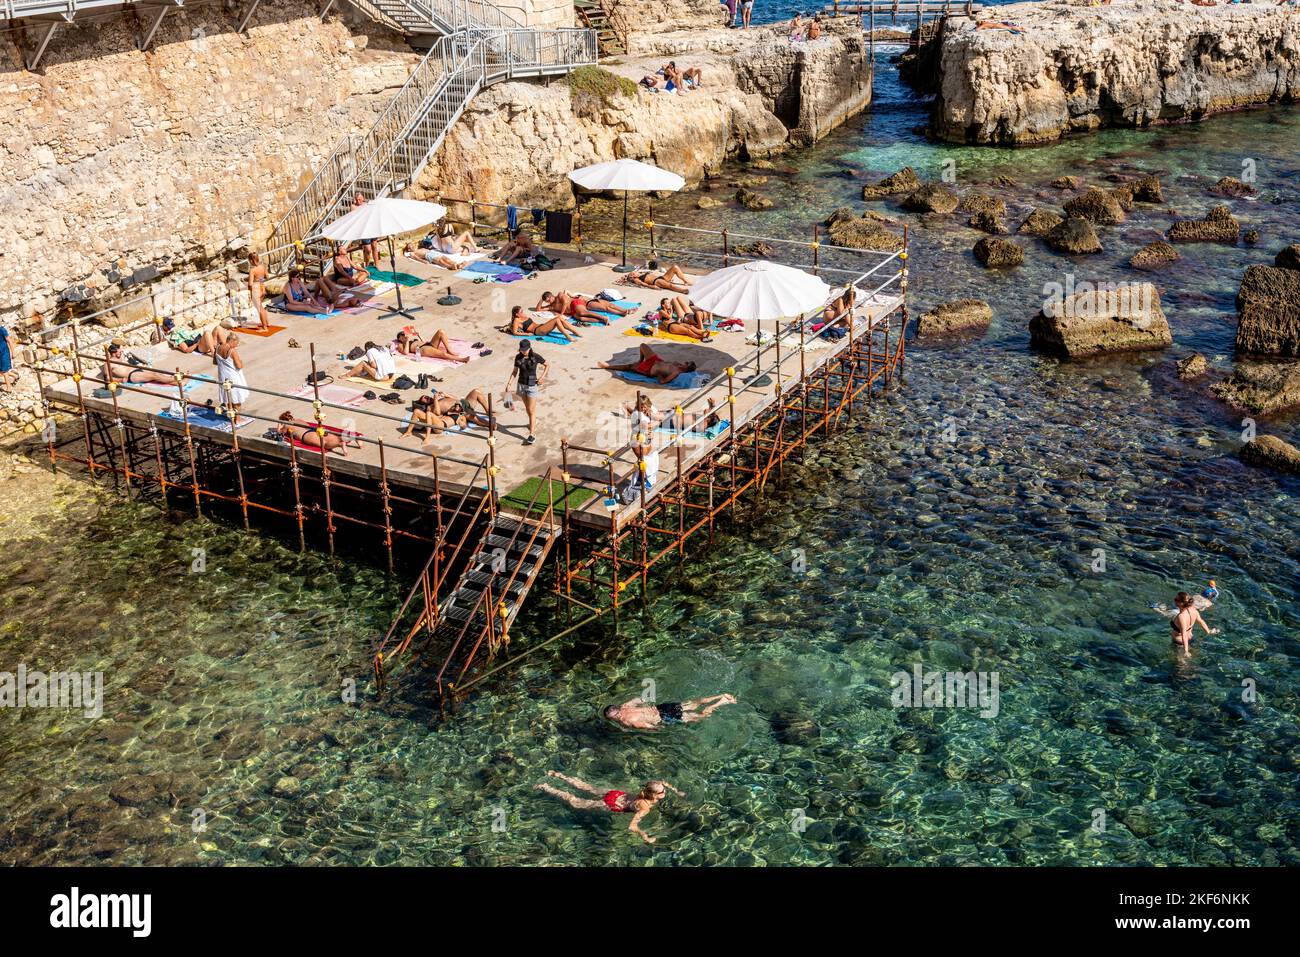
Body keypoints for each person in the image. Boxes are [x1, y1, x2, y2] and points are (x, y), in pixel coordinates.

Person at [536, 771, 683, 845]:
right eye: (662, 792)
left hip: (616, 794)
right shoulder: (645, 807)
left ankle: (558, 775)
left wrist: (677, 790)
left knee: (585, 787)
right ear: (653, 794)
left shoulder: (650, 787)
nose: (664, 791)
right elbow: (632, 826)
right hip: (613, 804)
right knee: (575, 801)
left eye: (663, 790)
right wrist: (644, 835)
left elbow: (662, 782)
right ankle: (546, 787)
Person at [604, 693, 737, 729]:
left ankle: (722, 702)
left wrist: (658, 729)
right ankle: (720, 695)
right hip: (662, 707)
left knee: (702, 716)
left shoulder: (626, 721)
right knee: (695, 703)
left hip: (664, 716)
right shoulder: (625, 705)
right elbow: (643, 699)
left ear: (614, 717)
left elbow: (646, 726)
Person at [505, 340, 547, 444]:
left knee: (531, 410)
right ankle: (533, 422)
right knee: (528, 408)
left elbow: (547, 365)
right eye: (521, 350)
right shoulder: (518, 357)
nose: (523, 352)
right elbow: (515, 372)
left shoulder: (536, 356)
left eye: (525, 350)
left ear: (529, 348)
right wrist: (509, 384)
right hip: (521, 385)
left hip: (532, 386)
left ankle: (532, 434)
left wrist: (542, 377)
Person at [599, 343, 698, 385]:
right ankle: (640, 360)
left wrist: (658, 375)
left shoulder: (676, 373)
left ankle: (607, 366)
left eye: (687, 363)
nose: (685, 362)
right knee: (643, 346)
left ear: (686, 368)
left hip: (650, 369)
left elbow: (663, 382)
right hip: (656, 360)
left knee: (629, 367)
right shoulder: (678, 365)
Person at [276, 411, 356, 455]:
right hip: (314, 430)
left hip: (307, 435)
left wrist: (279, 424)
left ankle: (340, 444)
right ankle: (351, 439)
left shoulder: (286, 425)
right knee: (330, 437)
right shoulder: (299, 420)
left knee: (324, 443)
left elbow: (279, 432)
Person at [102, 339, 173, 388]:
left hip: (136, 370)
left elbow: (119, 345)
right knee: (155, 376)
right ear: (113, 353)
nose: (121, 352)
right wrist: (120, 380)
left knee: (157, 374)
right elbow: (107, 378)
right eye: (119, 352)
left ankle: (179, 382)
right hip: (132, 376)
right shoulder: (109, 364)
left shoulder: (121, 355)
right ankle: (177, 380)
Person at [1169, 591, 1219, 656]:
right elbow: (1201, 621)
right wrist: (1208, 631)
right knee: (1193, 654)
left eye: (1176, 599)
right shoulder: (1193, 609)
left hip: (1180, 642)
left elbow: (1184, 634)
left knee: (1180, 662)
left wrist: (1186, 651)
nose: (1174, 600)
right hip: (1190, 637)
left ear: (1181, 603)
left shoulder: (1181, 616)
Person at [214, 333, 249, 423]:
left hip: (223, 375)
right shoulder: (232, 350)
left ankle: (231, 416)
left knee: (229, 397)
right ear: (232, 341)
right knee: (236, 399)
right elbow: (239, 365)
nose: (236, 346)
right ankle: (237, 419)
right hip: (233, 376)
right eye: (236, 343)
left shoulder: (217, 348)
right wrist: (241, 362)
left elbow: (215, 362)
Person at [394, 327, 470, 363]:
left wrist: (418, 335)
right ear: (399, 339)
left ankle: (449, 350)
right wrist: (406, 341)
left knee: (441, 331)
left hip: (428, 344)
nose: (404, 336)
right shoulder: (400, 345)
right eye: (402, 335)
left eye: (404, 334)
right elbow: (405, 353)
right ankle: (461, 359)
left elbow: (422, 342)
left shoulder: (410, 340)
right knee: (443, 354)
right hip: (423, 350)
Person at [507, 305, 581, 341]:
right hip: (538, 331)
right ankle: (568, 336)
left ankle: (575, 332)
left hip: (541, 327)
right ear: (516, 314)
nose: (523, 312)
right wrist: (527, 334)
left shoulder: (523, 316)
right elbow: (515, 332)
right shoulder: (517, 320)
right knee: (557, 319)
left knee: (559, 318)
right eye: (521, 312)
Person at [622, 262, 691, 293]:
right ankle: (682, 291)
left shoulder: (640, 274)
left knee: (675, 267)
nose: (635, 272)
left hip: (662, 277)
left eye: (634, 272)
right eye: (633, 273)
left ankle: (686, 281)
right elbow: (644, 284)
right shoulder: (636, 279)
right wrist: (652, 287)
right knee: (670, 286)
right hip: (657, 282)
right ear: (632, 276)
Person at [351, 193, 379, 268]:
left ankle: (377, 265)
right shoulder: (354, 206)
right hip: (364, 230)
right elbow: (355, 216)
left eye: (360, 199)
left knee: (374, 247)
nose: (358, 201)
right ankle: (367, 266)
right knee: (368, 249)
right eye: (357, 199)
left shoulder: (366, 204)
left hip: (372, 228)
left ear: (363, 198)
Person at [246, 252, 271, 332]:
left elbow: (250, 284)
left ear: (251, 260)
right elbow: (267, 277)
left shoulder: (252, 270)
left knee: (260, 309)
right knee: (261, 307)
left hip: (256, 289)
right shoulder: (262, 267)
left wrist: (249, 290)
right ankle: (267, 323)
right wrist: (259, 279)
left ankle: (264, 327)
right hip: (262, 287)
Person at [0, 325, 16, 390]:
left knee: (4, 371)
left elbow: (9, 341)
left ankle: (9, 389)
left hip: (4, 353)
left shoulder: (2, 330)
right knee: (1, 371)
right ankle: (16, 376)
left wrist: (13, 353)